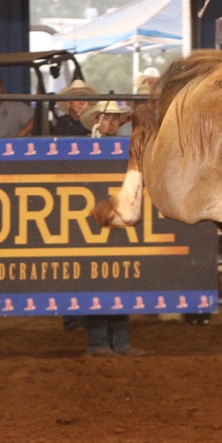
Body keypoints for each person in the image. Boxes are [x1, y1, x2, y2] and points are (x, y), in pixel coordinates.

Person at [79, 101, 146, 357]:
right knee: (97, 279)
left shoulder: (126, 149)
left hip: (116, 217)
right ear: (96, 120)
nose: (112, 122)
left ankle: (120, 341)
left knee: (118, 278)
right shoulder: (85, 148)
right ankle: (98, 342)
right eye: (107, 118)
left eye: (116, 119)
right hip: (96, 220)